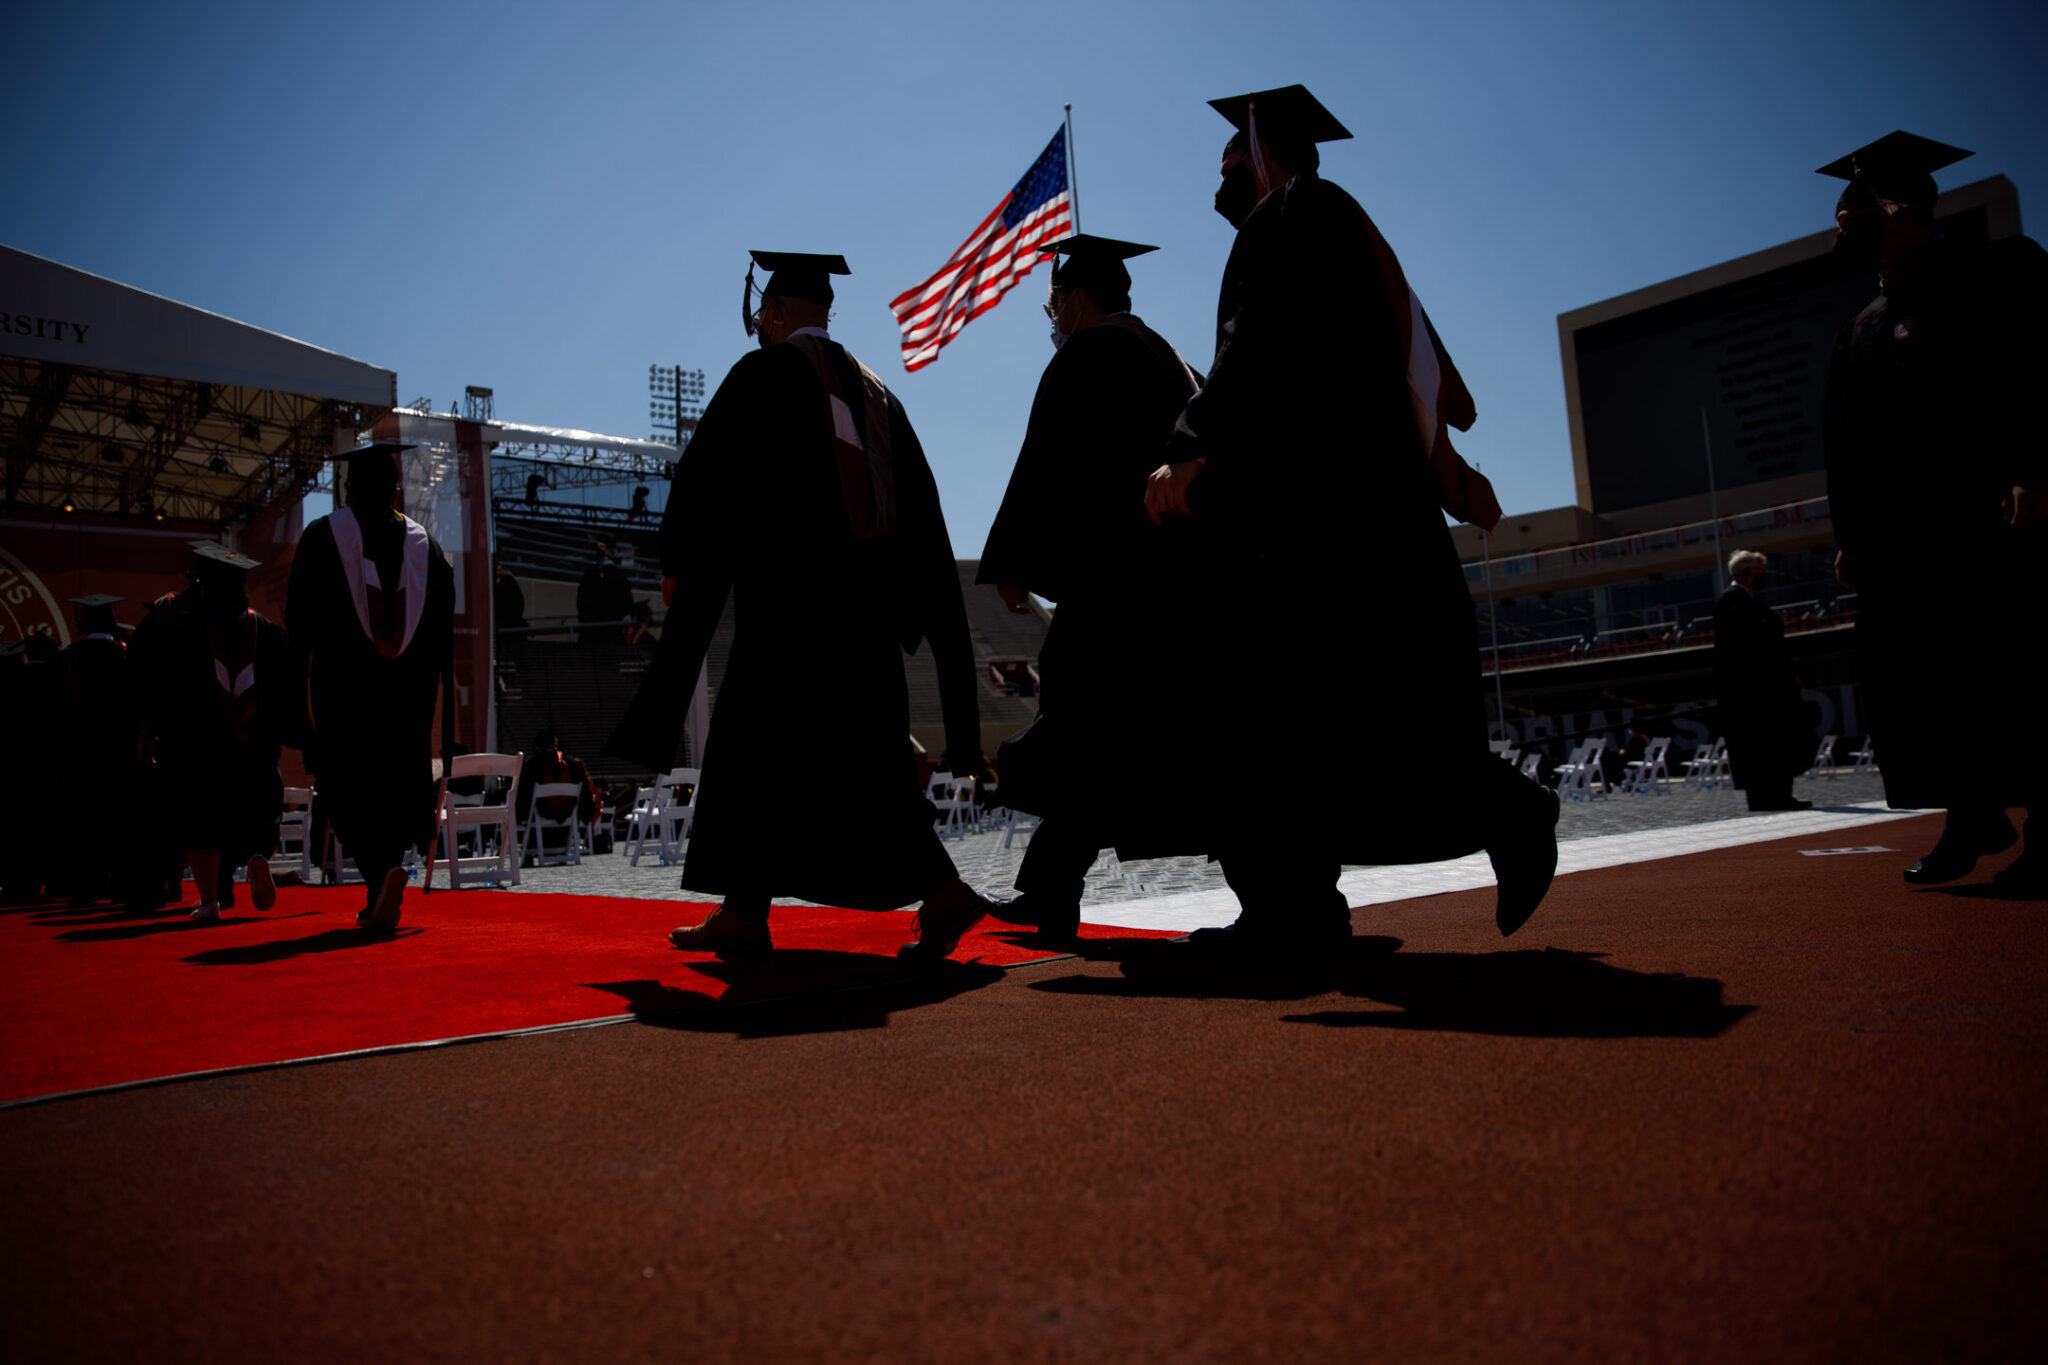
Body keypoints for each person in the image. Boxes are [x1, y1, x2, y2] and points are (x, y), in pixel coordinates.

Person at [1142, 85, 1559, 953]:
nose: (1218, 175)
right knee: (1341, 717)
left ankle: (1306, 901)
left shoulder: (1288, 217)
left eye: (1227, 157)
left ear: (1257, 151)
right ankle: (1305, 901)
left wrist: (1193, 444)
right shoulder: (1346, 226)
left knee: (1287, 711)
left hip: (1319, 521)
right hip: (1363, 511)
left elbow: (1254, 345)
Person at [607, 249, 997, 959]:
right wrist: (920, 615)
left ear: (780, 310)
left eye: (765, 311)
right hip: (866, 628)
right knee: (860, 762)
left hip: (787, 620)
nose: (760, 322)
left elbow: (705, 470)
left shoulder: (764, 374)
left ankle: (760, 910)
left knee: (751, 745)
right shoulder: (881, 396)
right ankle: (775, 906)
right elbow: (924, 513)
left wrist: (678, 560)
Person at [1822, 131, 2048, 892]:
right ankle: (1971, 814)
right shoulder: (1865, 328)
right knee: (1931, 679)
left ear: (1900, 206)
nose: (1843, 221)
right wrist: (1851, 533)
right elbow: (1845, 444)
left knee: (2014, 668)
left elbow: (2037, 371)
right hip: (1906, 542)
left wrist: (2033, 464)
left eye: (1857, 205)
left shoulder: (2000, 274)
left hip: (1993, 526)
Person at [977, 234, 1205, 939]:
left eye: (1054, 302)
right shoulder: (1173, 359)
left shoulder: (1090, 352)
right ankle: (1052, 885)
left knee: (1080, 721)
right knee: (1114, 738)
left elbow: (1047, 459)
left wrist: (1014, 562)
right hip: (1176, 587)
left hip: (1115, 585)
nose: (1053, 319)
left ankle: (1283, 897)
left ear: (1077, 299)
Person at [287, 441, 457, 930]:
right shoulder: (427, 546)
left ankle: (378, 877)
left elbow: (300, 623)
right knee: (396, 787)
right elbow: (442, 627)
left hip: (346, 696)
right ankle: (386, 876)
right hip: (406, 701)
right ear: (395, 487)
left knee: (349, 789)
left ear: (347, 488)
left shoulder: (322, 537)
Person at [130, 543, 303, 922]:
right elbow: (289, 686)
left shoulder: (175, 621)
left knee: (200, 816)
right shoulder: (264, 630)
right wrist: (293, 732)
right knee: (258, 806)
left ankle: (209, 899)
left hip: (194, 743)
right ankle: (258, 856)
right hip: (253, 745)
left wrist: (147, 728)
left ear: (200, 580)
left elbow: (144, 675)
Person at [56, 595, 145, 904]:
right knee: (121, 818)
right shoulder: (125, 655)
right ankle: (122, 885)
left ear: (82, 624)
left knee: (83, 819)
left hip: (79, 754)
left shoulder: (66, 658)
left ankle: (84, 887)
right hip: (121, 751)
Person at [1712, 552, 1814, 812]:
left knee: (1777, 743)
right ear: (1745, 573)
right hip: (1753, 693)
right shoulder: (1731, 602)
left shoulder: (1750, 603)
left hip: (1770, 689)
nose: (1763, 575)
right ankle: (1766, 796)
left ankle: (1779, 794)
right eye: (1758, 570)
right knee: (1761, 746)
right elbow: (1742, 649)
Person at [515, 726, 600, 860]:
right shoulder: (572, 764)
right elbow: (586, 792)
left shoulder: (531, 765)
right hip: (568, 814)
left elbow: (522, 795)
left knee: (529, 808)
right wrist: (585, 814)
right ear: (555, 743)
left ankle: (530, 851)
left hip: (540, 814)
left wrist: (520, 817)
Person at [576, 542, 634, 637]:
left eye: (602, 547)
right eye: (598, 547)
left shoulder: (617, 573)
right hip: (591, 623)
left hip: (610, 623)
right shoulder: (590, 571)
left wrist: (626, 614)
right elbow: (582, 594)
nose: (599, 550)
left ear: (608, 550)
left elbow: (625, 596)